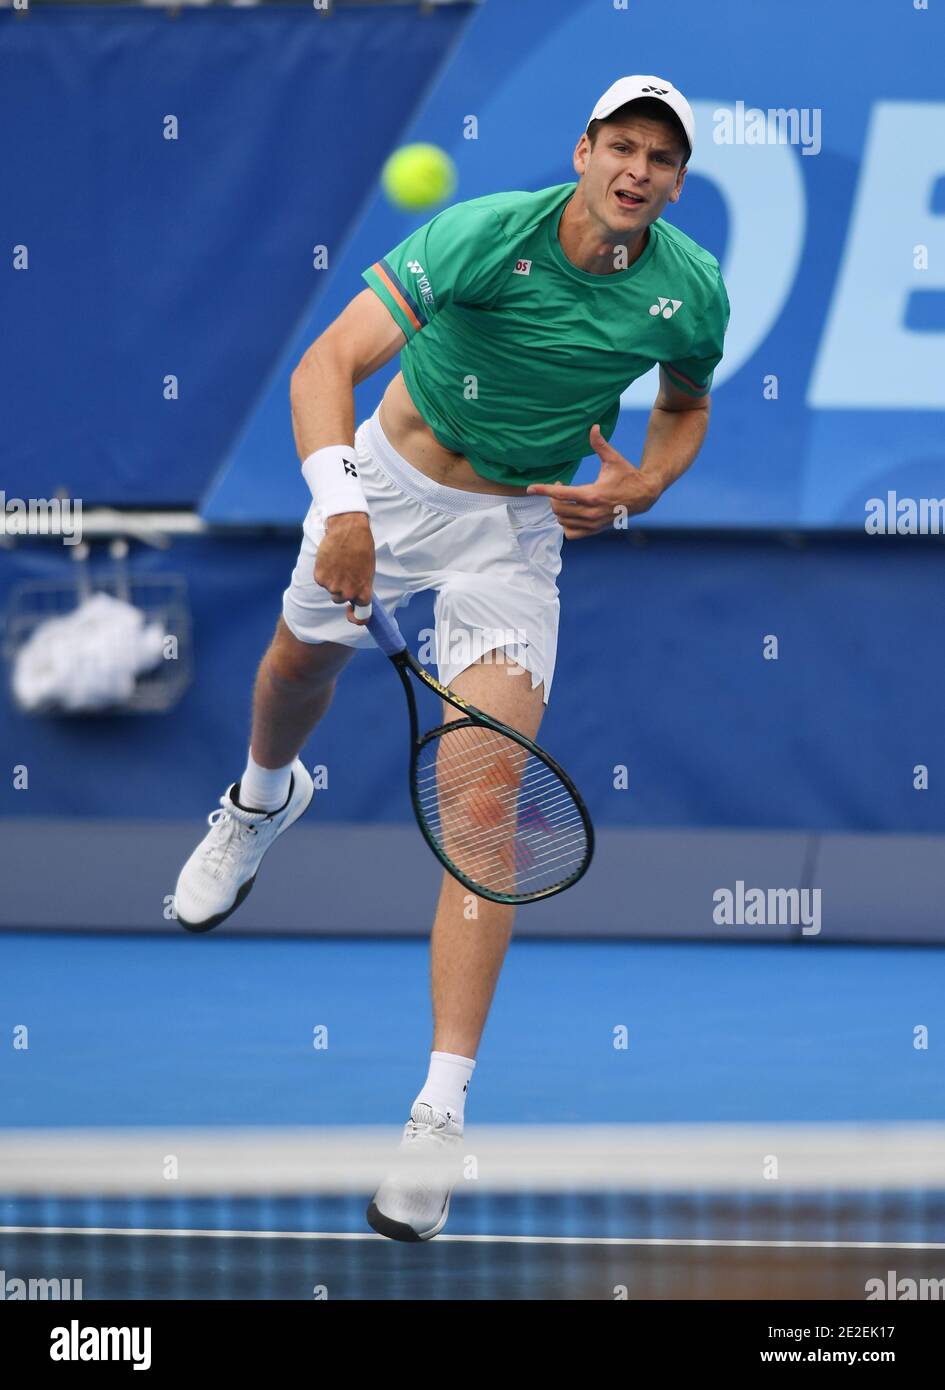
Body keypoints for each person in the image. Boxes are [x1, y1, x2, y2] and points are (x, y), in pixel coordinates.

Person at [174, 76, 730, 1241]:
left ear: (678, 181)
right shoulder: (485, 234)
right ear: (584, 152)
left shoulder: (691, 292)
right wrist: (342, 507)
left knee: (485, 808)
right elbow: (324, 367)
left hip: (516, 538)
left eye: (662, 160)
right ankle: (258, 802)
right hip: (389, 485)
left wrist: (648, 483)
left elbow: (683, 408)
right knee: (292, 673)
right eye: (621, 146)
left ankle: (435, 1120)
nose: (639, 171)